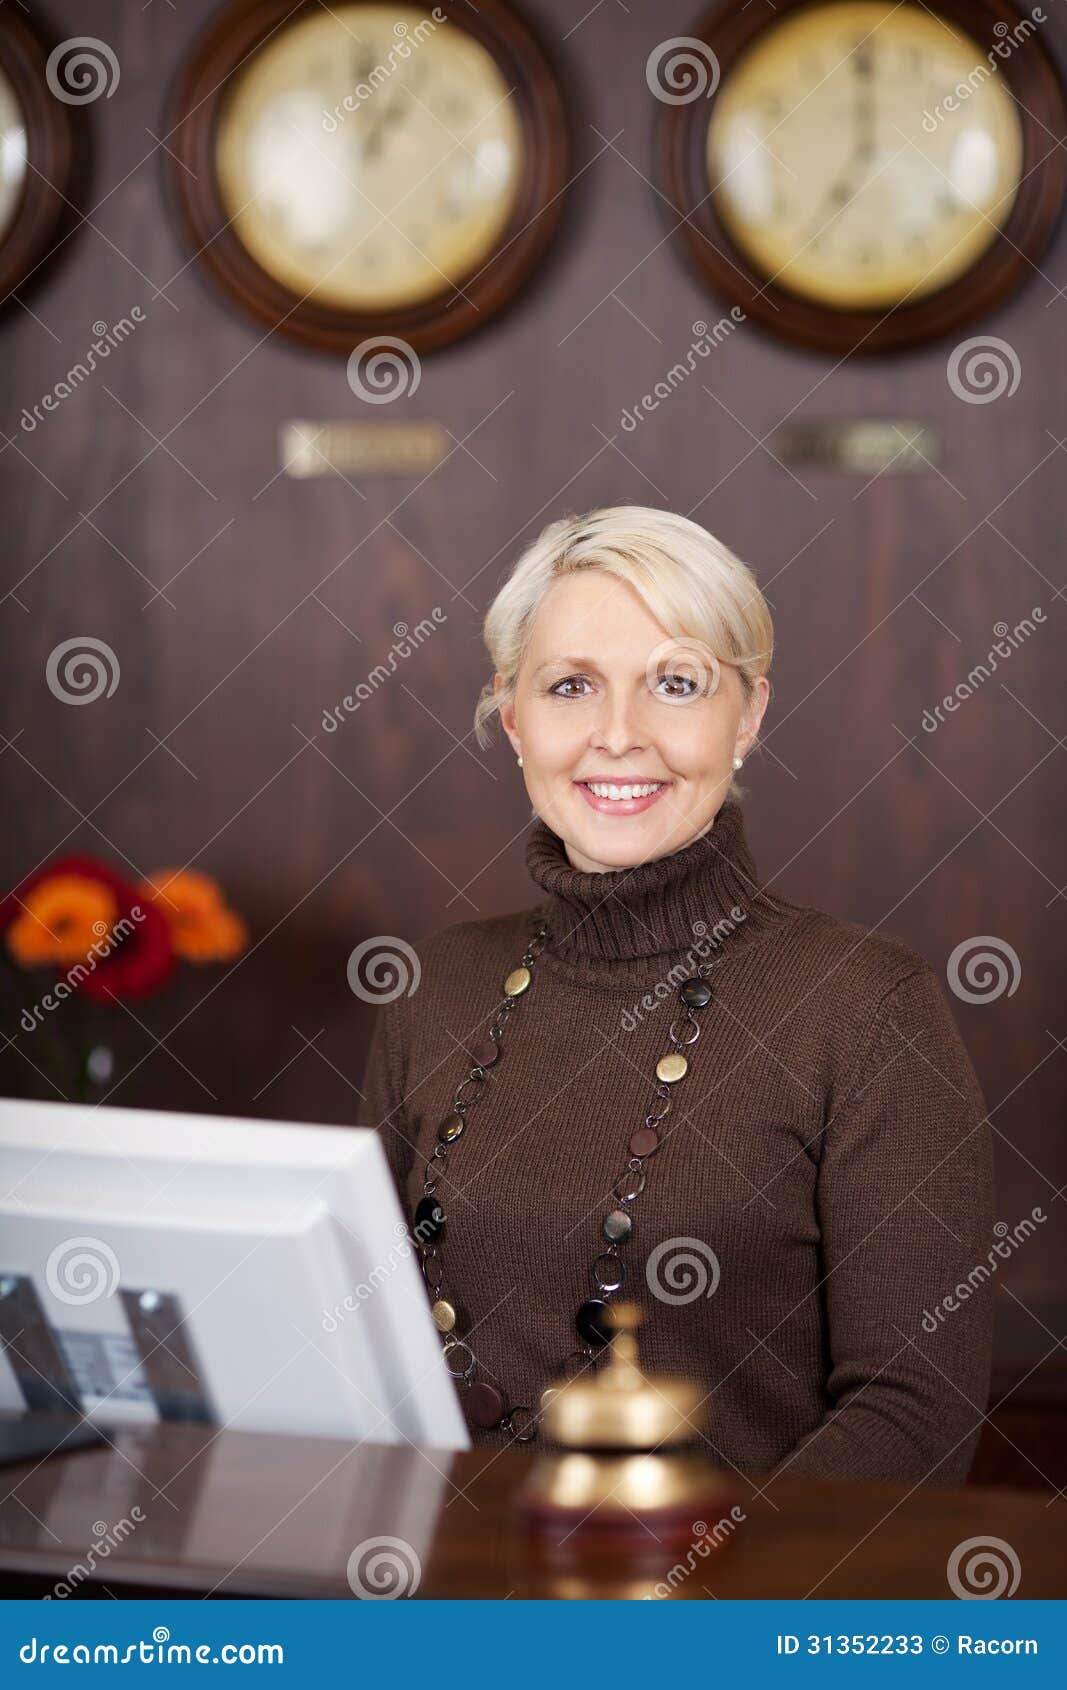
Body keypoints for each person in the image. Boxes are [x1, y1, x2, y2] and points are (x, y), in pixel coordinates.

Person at [362, 505, 994, 1485]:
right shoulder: (435, 990)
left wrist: (691, 1578)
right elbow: (355, 1345)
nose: (619, 735)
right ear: (514, 717)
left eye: (675, 683)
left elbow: (914, 1416)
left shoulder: (868, 1009)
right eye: (571, 685)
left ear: (747, 716)